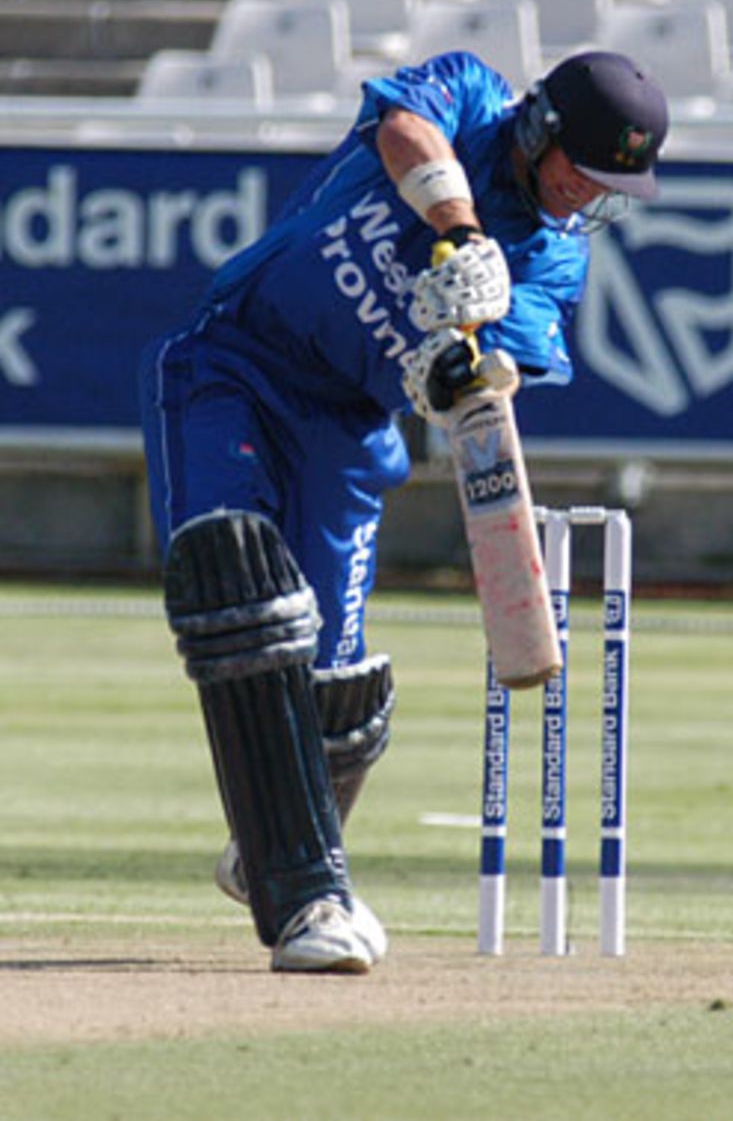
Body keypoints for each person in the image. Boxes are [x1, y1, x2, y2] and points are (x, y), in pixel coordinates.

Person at [139, 48, 669, 974]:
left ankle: (270, 847)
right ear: (540, 130)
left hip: (345, 431)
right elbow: (400, 129)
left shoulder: (552, 261)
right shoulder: (466, 98)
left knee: (339, 696)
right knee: (239, 586)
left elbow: (487, 384)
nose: (583, 200)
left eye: (604, 189)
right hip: (236, 363)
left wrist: (460, 367)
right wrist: (459, 230)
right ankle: (308, 897)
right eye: (577, 174)